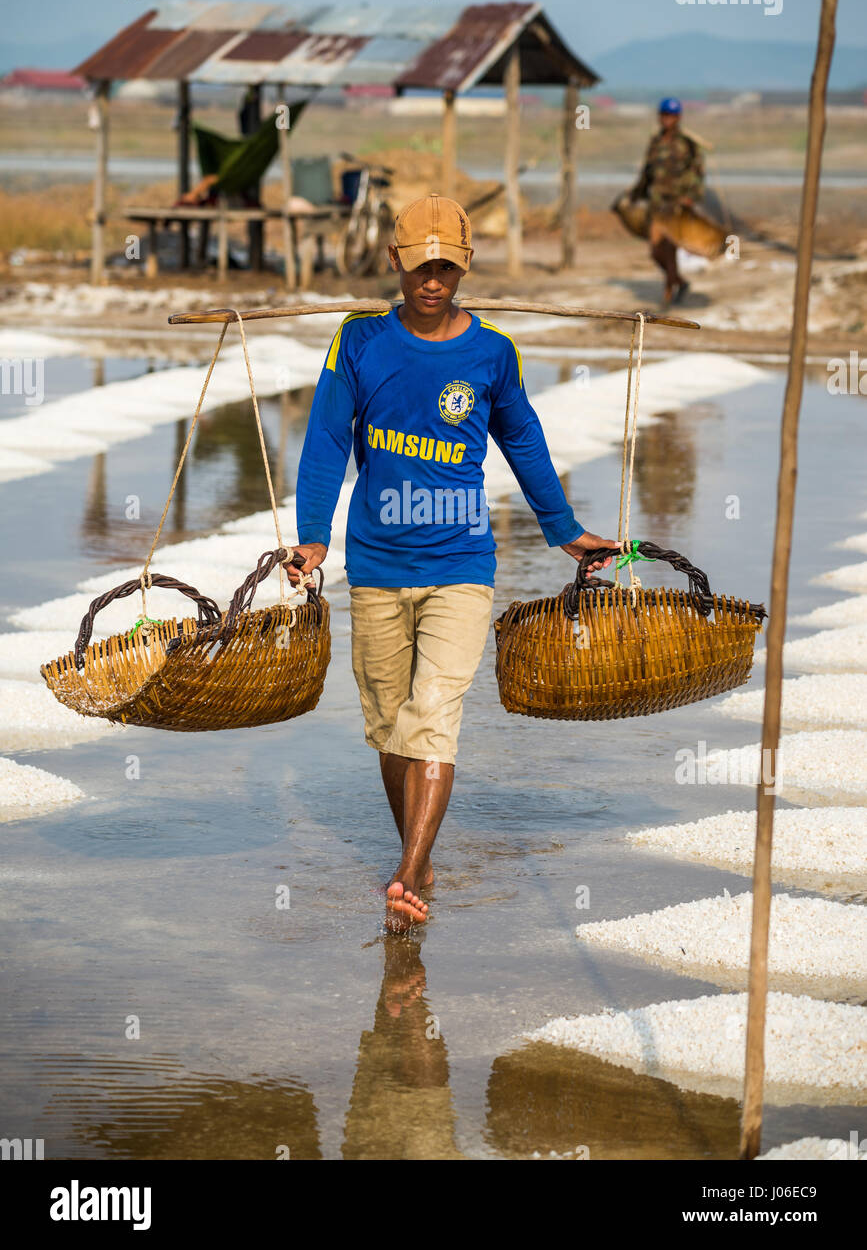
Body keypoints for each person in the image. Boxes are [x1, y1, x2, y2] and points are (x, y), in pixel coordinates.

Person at [286, 194, 619, 932]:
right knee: (389, 729)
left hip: (461, 563)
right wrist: (313, 538)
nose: (432, 280)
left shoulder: (492, 353)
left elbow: (523, 441)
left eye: (446, 266)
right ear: (395, 263)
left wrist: (563, 529)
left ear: (463, 267)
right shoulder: (359, 340)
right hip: (374, 565)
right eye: (419, 265)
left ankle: (407, 874)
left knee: (431, 720)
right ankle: (420, 851)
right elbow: (325, 441)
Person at [631, 96, 705, 306]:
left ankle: (668, 291)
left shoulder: (688, 144)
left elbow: (698, 173)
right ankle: (679, 282)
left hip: (676, 205)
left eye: (671, 116)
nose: (667, 119)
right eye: (664, 115)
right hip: (656, 204)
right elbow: (647, 172)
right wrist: (636, 194)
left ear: (678, 117)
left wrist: (691, 197)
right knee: (656, 251)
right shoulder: (655, 142)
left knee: (669, 247)